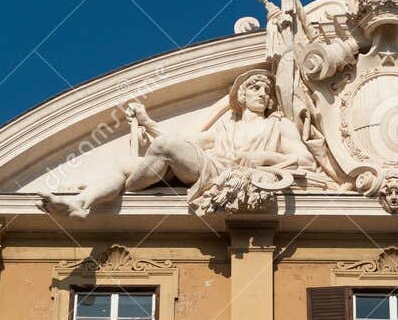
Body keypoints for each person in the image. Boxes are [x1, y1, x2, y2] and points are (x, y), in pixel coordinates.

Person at [38, 69, 316, 217]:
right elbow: (182, 142)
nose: (261, 94)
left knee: (163, 150)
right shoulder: (225, 129)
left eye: (266, 91)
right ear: (242, 96)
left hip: (225, 175)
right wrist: (147, 121)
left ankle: (122, 187)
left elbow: (306, 161)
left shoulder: (279, 125)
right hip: (214, 166)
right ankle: (83, 203)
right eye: (254, 88)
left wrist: (266, 157)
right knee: (124, 163)